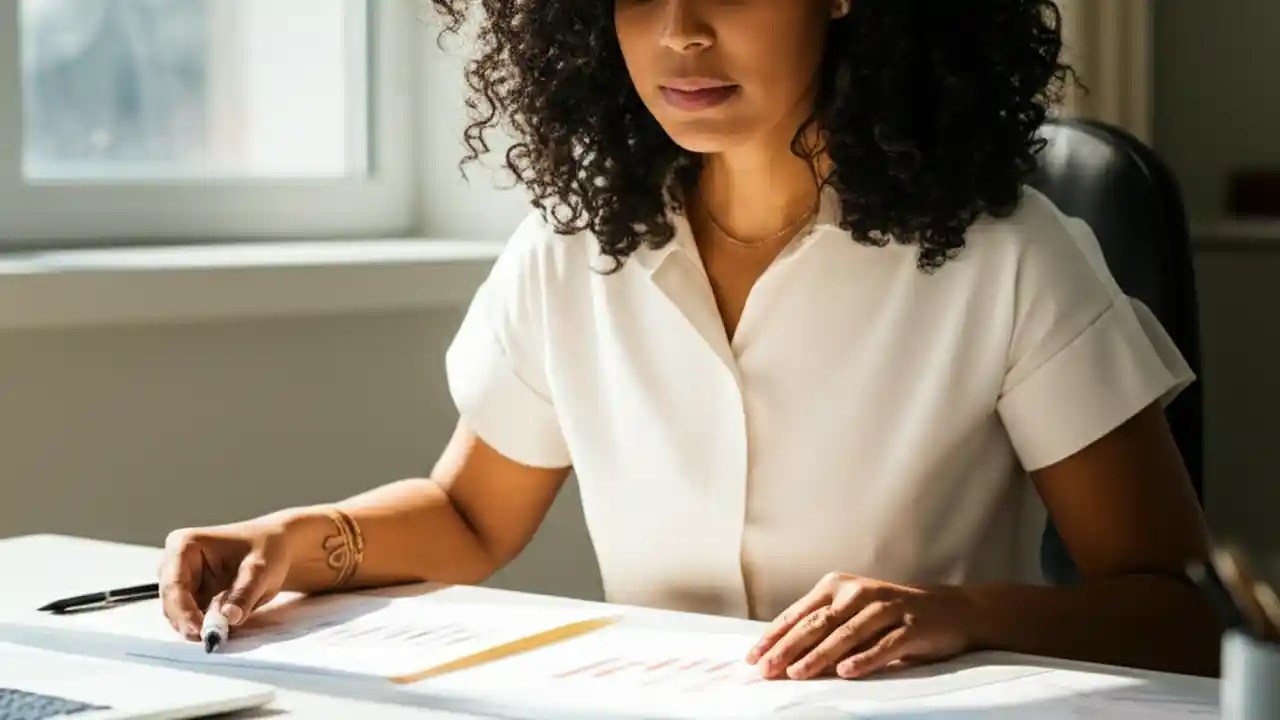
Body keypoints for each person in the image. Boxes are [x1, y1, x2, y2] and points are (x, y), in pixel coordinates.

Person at [160, 0, 1220, 681]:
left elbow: (1174, 613)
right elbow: (470, 516)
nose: (678, 30)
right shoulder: (574, 248)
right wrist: (298, 540)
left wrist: (959, 614)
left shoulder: (1012, 254)